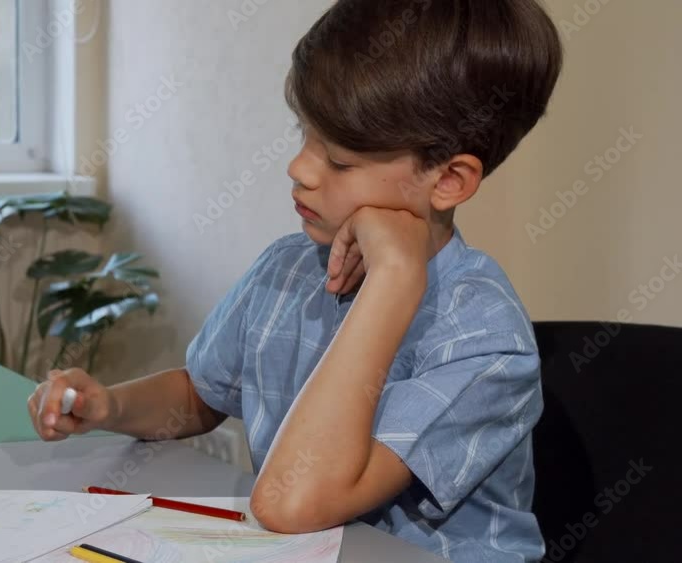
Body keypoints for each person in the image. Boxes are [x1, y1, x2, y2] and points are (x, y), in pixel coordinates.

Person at [28, 1, 563, 560]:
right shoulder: (289, 267)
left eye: (339, 160)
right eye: (304, 136)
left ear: (449, 180)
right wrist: (112, 407)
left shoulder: (484, 340)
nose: (300, 169)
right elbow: (202, 393)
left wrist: (395, 279)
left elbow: (294, 504)